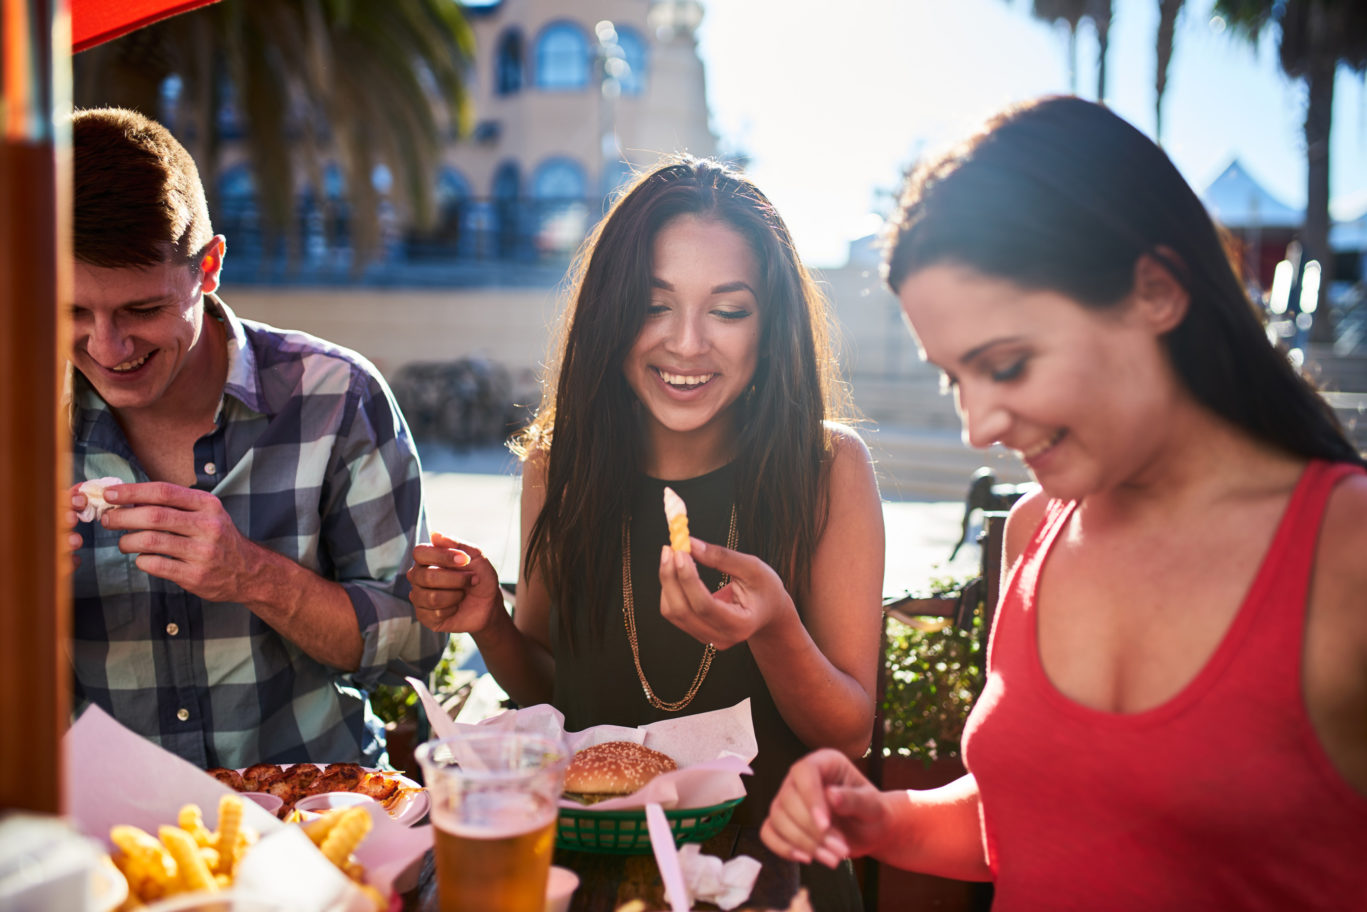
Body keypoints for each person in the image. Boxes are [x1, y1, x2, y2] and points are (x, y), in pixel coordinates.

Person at [760, 95, 1367, 910]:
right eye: (954, 379)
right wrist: (883, 820)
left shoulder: (1346, 553)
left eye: (1006, 365)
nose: (977, 426)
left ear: (1155, 291)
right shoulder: (1034, 534)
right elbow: (1033, 817)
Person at [407, 156, 886, 908]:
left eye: (728, 311)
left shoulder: (829, 467)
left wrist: (773, 630)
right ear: (610, 313)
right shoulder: (557, 464)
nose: (687, 343)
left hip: (770, 875)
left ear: (770, 327)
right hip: (588, 874)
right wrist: (490, 623)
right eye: (653, 304)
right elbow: (553, 693)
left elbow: (848, 734)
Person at [64, 107, 445, 769]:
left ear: (209, 266)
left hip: (315, 812)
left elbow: (414, 645)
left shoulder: (335, 396)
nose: (107, 347)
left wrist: (255, 576)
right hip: (99, 823)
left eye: (142, 309)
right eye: (71, 310)